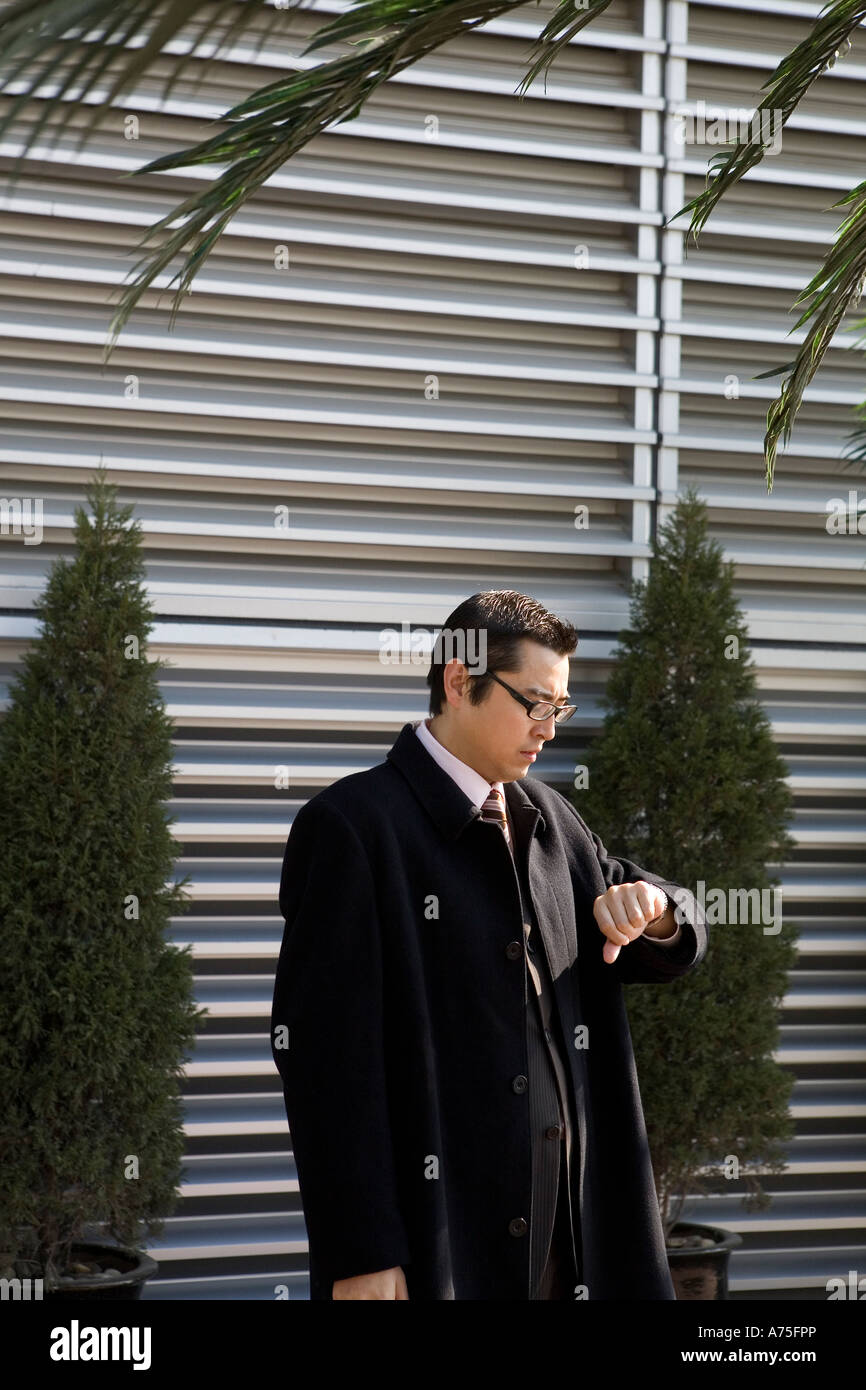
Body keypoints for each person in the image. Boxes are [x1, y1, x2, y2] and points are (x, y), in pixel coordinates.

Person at [270, 589, 708, 1300]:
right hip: (443, 1246)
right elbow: (325, 1065)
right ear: (458, 681)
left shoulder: (553, 820)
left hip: (578, 1246)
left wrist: (656, 911)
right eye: (535, 702)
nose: (550, 729)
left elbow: (666, 923)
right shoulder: (352, 827)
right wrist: (363, 1253)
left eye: (558, 708)